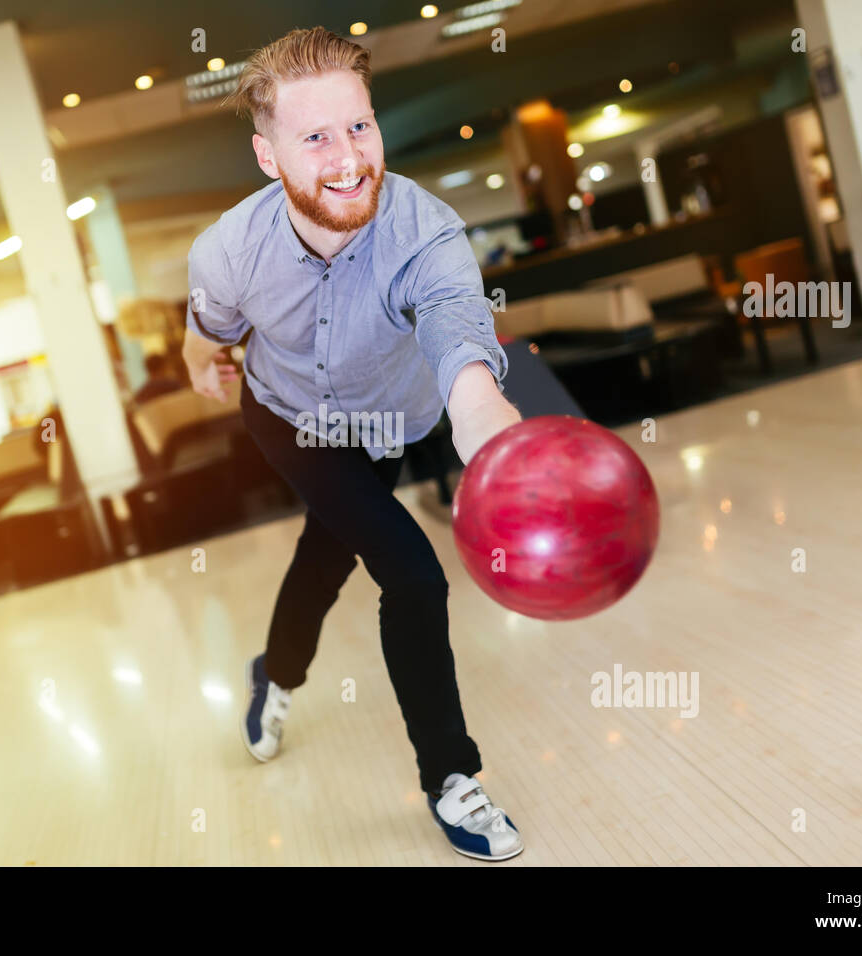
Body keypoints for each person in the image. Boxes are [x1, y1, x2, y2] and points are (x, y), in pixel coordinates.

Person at [182, 26, 524, 861]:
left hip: (381, 423)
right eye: (315, 137)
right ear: (269, 157)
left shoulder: (427, 233)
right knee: (411, 571)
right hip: (288, 415)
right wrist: (202, 367)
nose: (348, 158)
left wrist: (494, 439)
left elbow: (461, 349)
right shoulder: (230, 249)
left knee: (328, 554)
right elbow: (204, 332)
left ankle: (276, 673)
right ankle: (451, 777)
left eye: (359, 126)